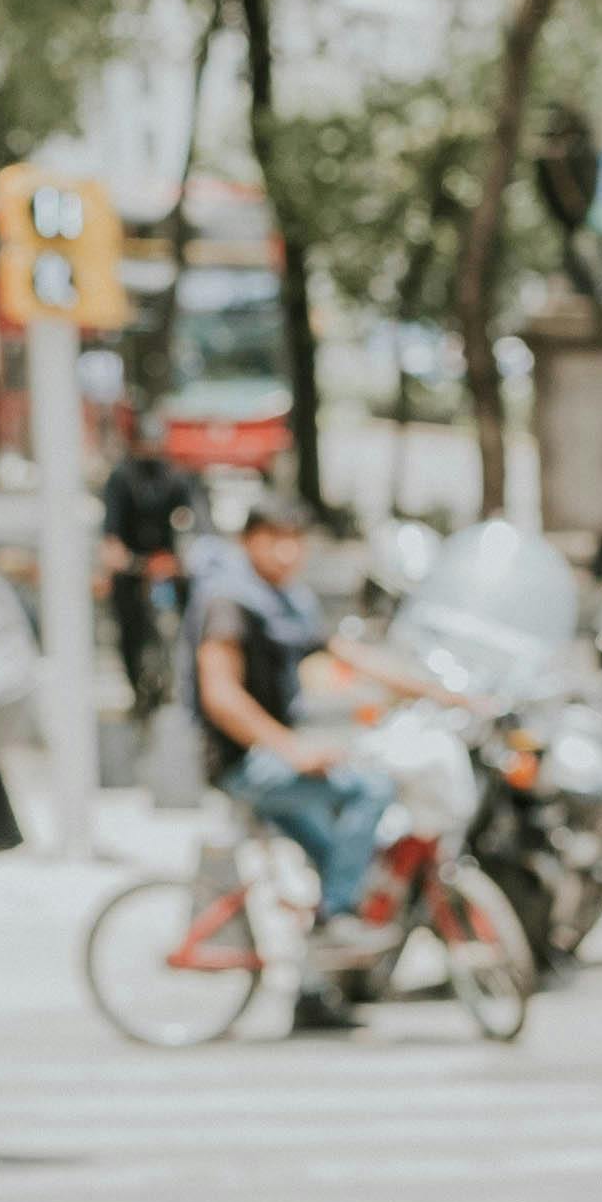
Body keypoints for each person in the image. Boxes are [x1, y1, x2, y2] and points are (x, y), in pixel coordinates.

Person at [183, 490, 387, 1028]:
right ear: (251, 542)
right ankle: (338, 919)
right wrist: (292, 750)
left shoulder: (285, 598)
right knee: (370, 789)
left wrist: (436, 692)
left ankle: (312, 993)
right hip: (244, 767)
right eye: (276, 541)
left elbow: (343, 656)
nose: (288, 553)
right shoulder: (230, 601)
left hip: (271, 759)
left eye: (296, 541)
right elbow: (221, 697)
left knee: (333, 857)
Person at [98, 423, 191, 724]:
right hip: (132, 566)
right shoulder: (121, 478)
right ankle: (136, 686)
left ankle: (174, 676)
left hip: (166, 565)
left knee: (184, 618)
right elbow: (111, 530)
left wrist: (179, 558)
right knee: (128, 628)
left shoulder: (175, 478)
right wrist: (117, 557)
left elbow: (191, 518)